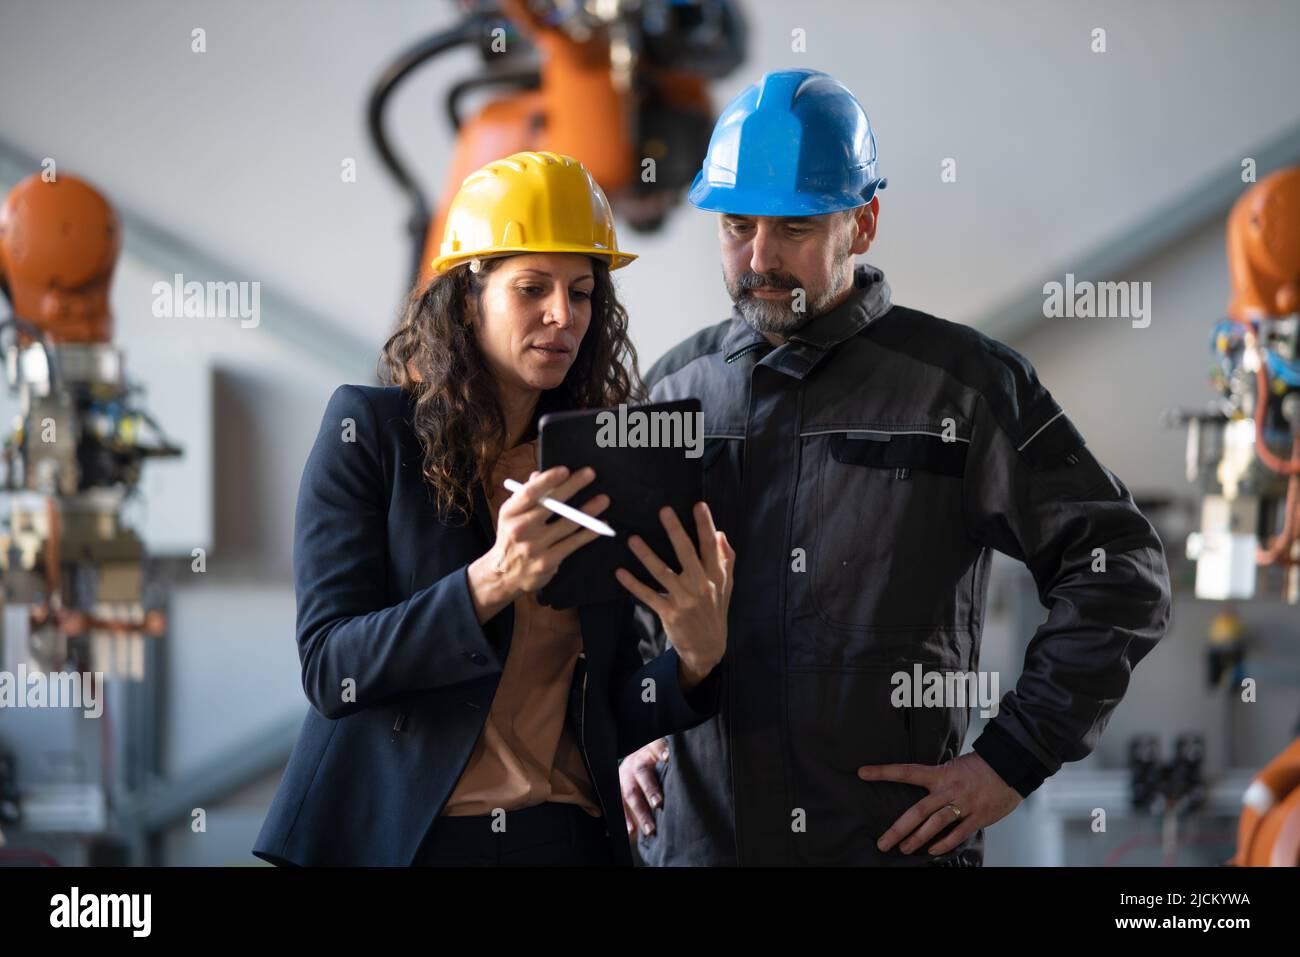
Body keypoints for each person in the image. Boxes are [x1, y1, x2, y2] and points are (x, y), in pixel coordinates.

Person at [619, 69, 1172, 865]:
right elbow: (626, 589)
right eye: (738, 223)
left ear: (864, 223)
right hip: (704, 844)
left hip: (885, 847)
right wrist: (634, 726)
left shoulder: (965, 386)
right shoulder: (674, 388)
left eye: (796, 228)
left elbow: (1121, 566)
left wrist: (1009, 760)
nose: (760, 257)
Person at [253, 150, 734, 867]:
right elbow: (331, 666)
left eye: (581, 291)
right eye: (531, 287)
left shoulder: (600, 461)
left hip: (563, 838)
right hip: (409, 842)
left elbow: (611, 715)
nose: (561, 315)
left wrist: (696, 657)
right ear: (469, 297)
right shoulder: (371, 433)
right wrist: (491, 581)